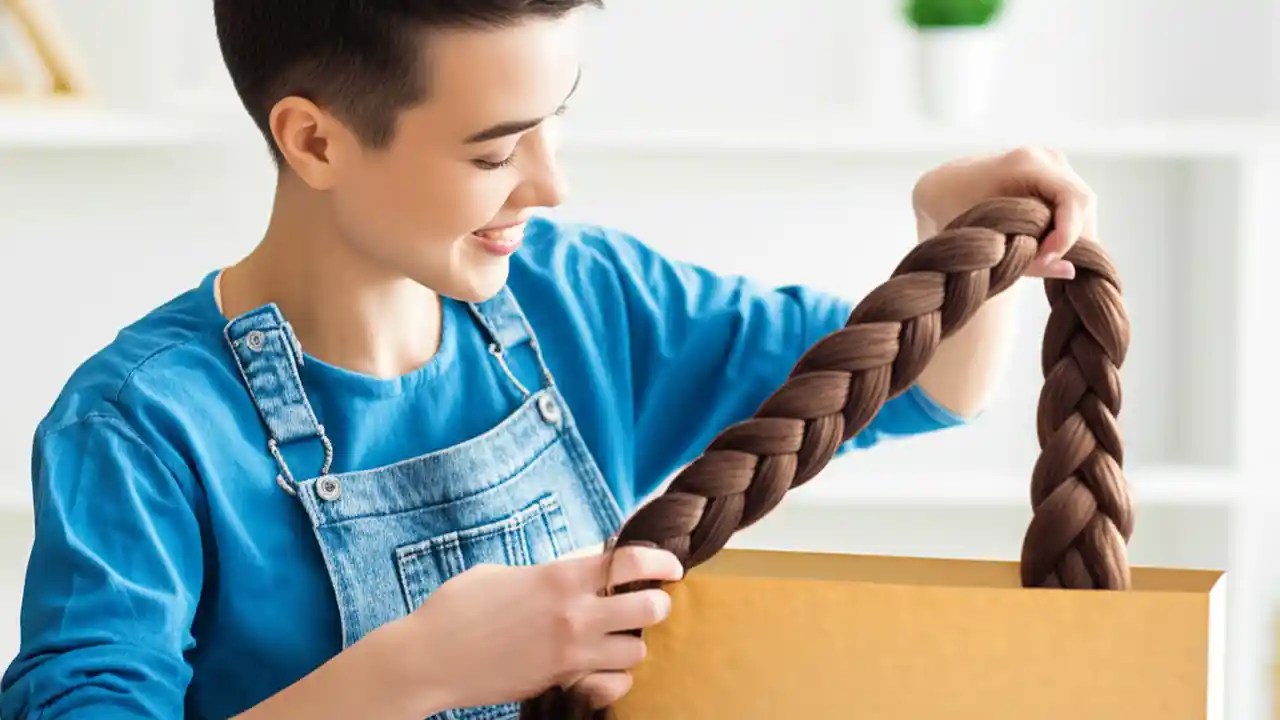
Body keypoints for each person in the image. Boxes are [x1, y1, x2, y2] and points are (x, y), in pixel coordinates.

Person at [0, 2, 1098, 719]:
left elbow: (934, 391)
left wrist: (950, 231)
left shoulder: (586, 297)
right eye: (492, 149)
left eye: (552, 123)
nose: (548, 184)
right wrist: (412, 670)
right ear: (314, 140)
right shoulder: (139, 426)